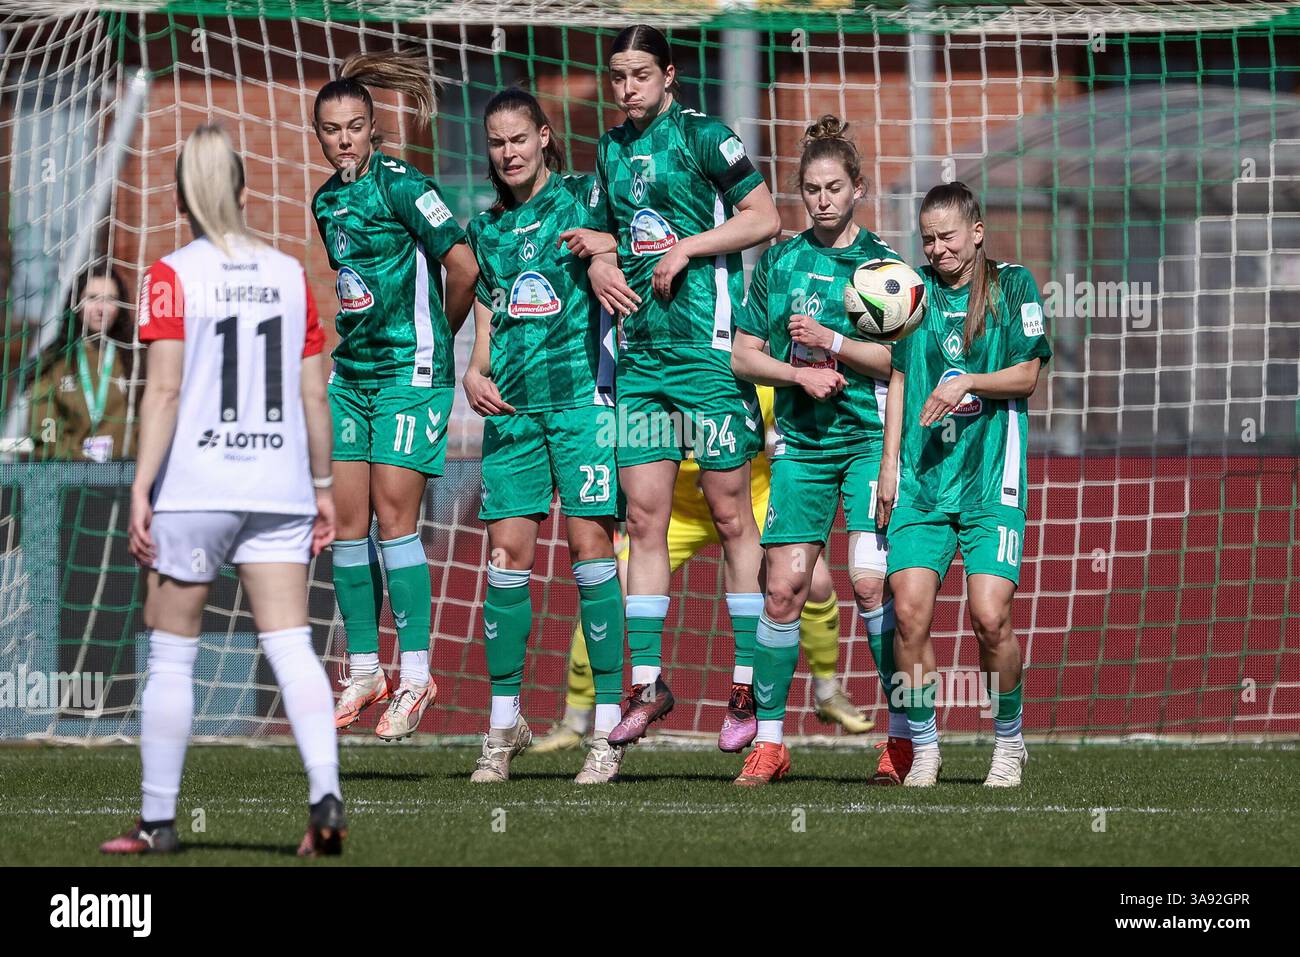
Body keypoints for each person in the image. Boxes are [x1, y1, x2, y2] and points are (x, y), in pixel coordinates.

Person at [103, 124, 343, 855]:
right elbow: (312, 397)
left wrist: (142, 485)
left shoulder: (171, 273)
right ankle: (325, 797)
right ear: (244, 190)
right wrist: (324, 485)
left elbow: (165, 392)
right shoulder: (289, 274)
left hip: (197, 487)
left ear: (180, 200)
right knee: (293, 646)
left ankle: (157, 820)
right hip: (277, 483)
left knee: (173, 653)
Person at [563, 23, 781, 751]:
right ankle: (649, 683)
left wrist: (686, 246)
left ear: (669, 74)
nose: (627, 88)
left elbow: (766, 216)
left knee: (728, 517)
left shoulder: (705, 136)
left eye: (639, 75)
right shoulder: (609, 149)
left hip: (707, 356)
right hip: (642, 362)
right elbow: (594, 235)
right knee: (644, 520)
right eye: (618, 76)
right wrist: (597, 263)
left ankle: (747, 686)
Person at [533, 382, 875, 755]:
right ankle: (577, 717)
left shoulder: (751, 382)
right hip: (677, 514)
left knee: (818, 583)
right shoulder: (652, 382)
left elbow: (788, 433)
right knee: (614, 594)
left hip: (747, 503)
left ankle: (827, 690)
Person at [462, 87, 629, 784]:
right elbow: (489, 311)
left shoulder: (585, 195)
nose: (508, 153)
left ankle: (608, 730)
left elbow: (643, 237)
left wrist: (604, 249)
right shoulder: (485, 231)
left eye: (519, 139)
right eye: (497, 142)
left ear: (544, 135)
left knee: (590, 549)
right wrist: (473, 368)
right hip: (514, 413)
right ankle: (504, 728)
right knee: (505, 555)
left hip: (583, 406)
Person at [313, 53, 479, 741]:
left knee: (394, 520)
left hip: (411, 376)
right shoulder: (325, 202)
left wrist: (440, 337)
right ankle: (364, 669)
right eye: (332, 129)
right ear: (318, 135)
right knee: (347, 527)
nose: (345, 138)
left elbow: (463, 264)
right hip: (351, 377)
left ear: (375, 126)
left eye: (355, 125)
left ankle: (416, 675)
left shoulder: (405, 185)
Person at [730, 115, 898, 785]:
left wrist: (831, 342)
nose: (822, 199)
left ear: (858, 187)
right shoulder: (779, 260)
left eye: (834, 187)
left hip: (865, 441)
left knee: (868, 580)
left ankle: (905, 738)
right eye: (810, 189)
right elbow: (743, 355)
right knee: (784, 587)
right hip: (799, 444)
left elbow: (895, 361)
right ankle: (769, 743)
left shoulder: (883, 266)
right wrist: (798, 374)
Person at [876, 181, 1052, 788]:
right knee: (910, 615)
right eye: (927, 237)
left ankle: (1008, 740)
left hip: (989, 482)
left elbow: (1028, 375)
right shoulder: (909, 293)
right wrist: (889, 464)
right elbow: (900, 378)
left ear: (976, 232)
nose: (936, 247)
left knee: (989, 617)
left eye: (947, 236)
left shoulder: (1014, 286)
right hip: (923, 483)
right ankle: (923, 747)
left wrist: (967, 382)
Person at [27, 265, 139, 462]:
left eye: (110, 299)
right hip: (71, 477)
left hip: (126, 475)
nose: (101, 309)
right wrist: (77, 457)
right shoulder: (54, 362)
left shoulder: (135, 359)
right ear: (76, 304)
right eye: (92, 298)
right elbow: (44, 430)